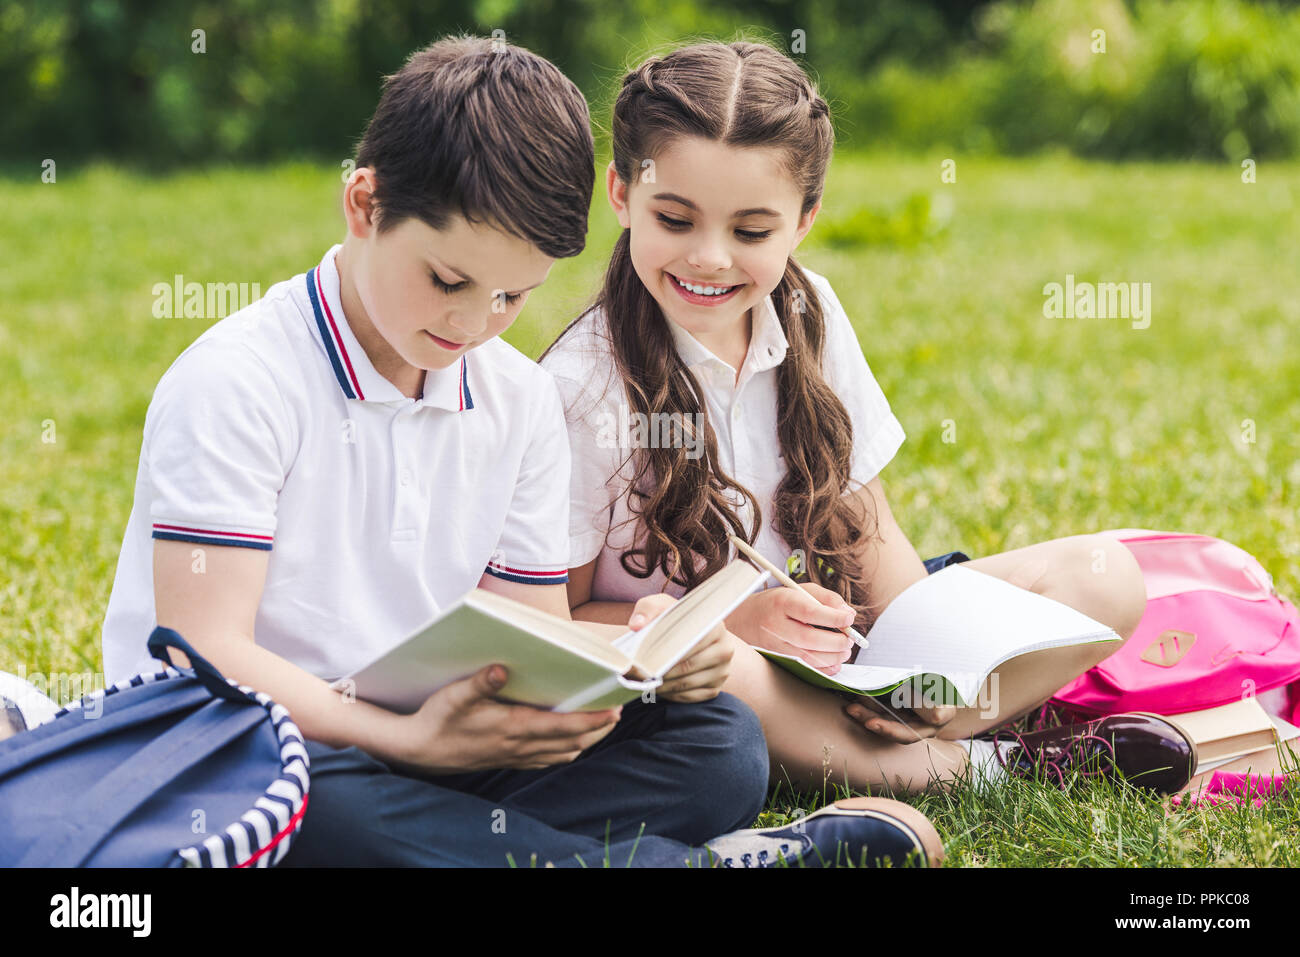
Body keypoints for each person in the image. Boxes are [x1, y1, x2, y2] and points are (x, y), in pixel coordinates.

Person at [96, 34, 943, 867]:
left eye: (511, 295)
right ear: (364, 204)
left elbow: (536, 638)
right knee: (323, 810)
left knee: (717, 743)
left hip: (446, 743)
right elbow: (211, 655)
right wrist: (408, 738)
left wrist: (642, 652)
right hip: (260, 746)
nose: (472, 324)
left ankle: (470, 847)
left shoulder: (515, 396)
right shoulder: (237, 381)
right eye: (446, 280)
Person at [539, 39, 1197, 798]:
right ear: (620, 193)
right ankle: (989, 767)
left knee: (1107, 577)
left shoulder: (807, 309)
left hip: (833, 653)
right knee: (737, 677)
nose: (711, 257)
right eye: (676, 219)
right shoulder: (581, 385)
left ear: (804, 220)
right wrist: (739, 627)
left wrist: (914, 669)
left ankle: (903, 735)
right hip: (715, 676)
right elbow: (561, 621)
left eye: (752, 232)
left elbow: (866, 528)